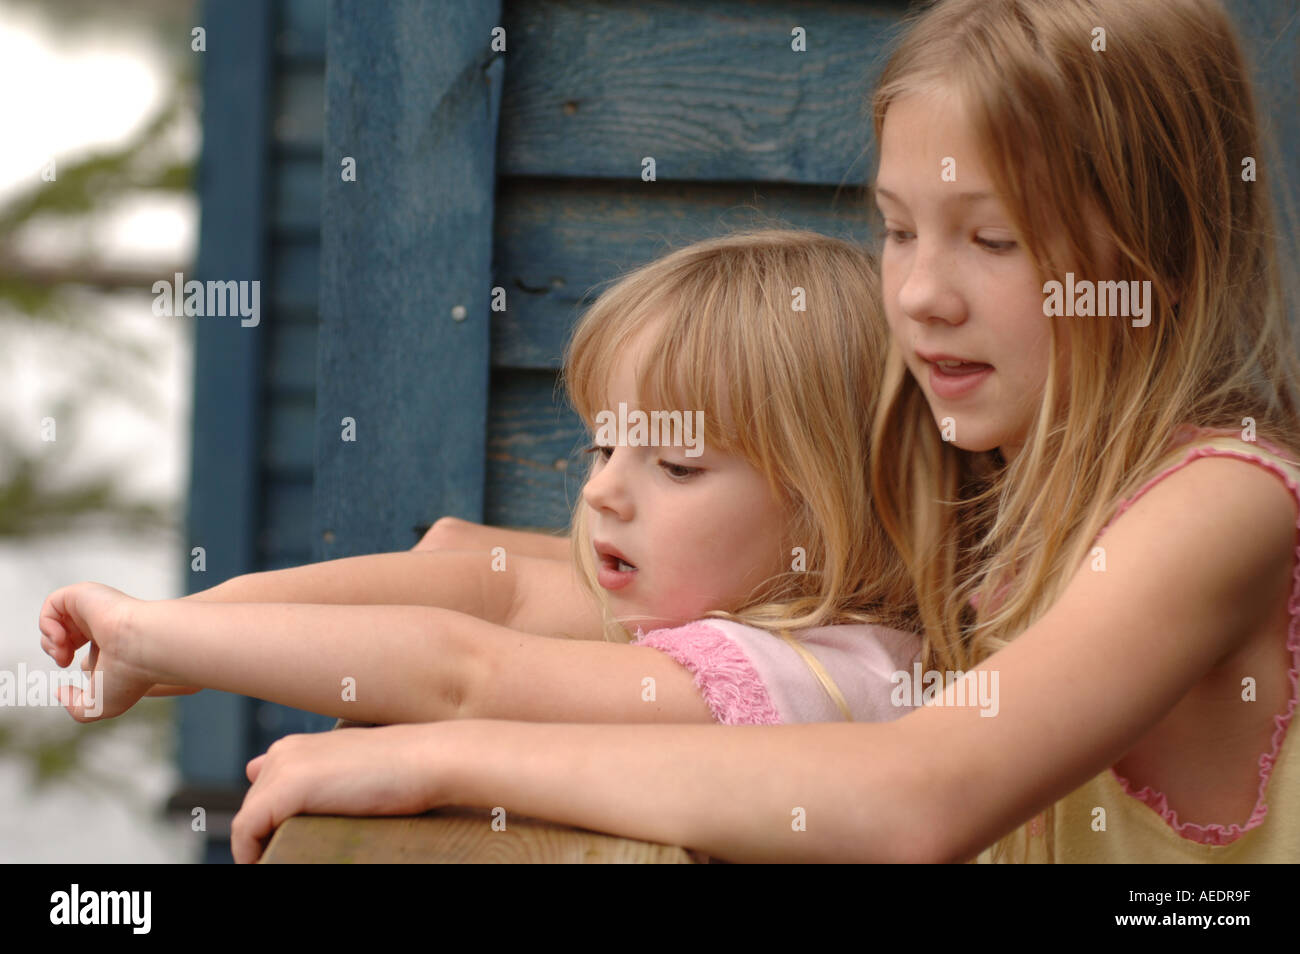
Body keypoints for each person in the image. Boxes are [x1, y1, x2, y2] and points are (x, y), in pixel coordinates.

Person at [209, 0, 1300, 864]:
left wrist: (445, 763)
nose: (920, 293)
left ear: (1155, 248)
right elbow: (547, 585)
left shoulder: (1221, 502)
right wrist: (180, 634)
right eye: (896, 229)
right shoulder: (1001, 480)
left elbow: (919, 800)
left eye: (993, 239)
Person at [37, 231, 921, 741]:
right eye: (603, 448)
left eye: (678, 466)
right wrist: (187, 629)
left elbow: (465, 676)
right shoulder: (771, 607)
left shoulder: (797, 681)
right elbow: (485, 579)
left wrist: (160, 638)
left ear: (830, 504)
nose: (601, 494)